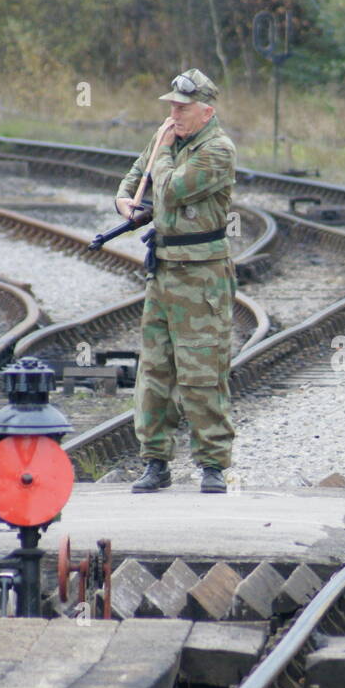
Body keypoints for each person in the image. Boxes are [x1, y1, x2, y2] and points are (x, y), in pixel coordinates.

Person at [115, 69, 237, 494]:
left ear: (207, 110)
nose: (173, 114)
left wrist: (163, 152)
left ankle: (212, 465)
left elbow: (171, 188)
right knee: (154, 371)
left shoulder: (218, 150)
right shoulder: (167, 138)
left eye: (182, 108)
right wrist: (123, 200)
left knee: (202, 371)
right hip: (164, 269)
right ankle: (155, 461)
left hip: (202, 276)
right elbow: (136, 177)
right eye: (171, 106)